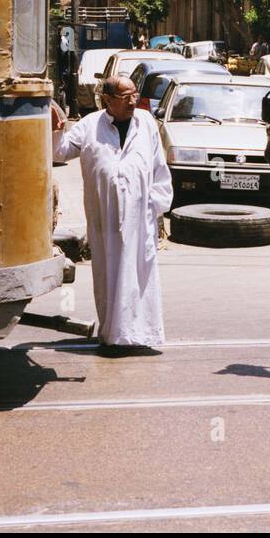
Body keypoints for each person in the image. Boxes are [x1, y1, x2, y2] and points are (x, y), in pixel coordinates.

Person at [51, 74, 174, 356]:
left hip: (139, 220)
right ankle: (113, 335)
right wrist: (56, 128)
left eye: (134, 94)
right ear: (107, 100)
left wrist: (153, 206)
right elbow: (60, 151)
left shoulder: (147, 125)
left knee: (139, 276)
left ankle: (138, 334)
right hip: (104, 219)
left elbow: (159, 169)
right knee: (109, 276)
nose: (133, 100)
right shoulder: (90, 126)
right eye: (125, 96)